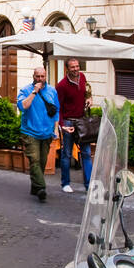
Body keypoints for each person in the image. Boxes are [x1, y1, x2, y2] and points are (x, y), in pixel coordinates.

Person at [17, 66, 59, 202]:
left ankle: (35, 187)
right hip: (30, 132)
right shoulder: (25, 90)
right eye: (37, 76)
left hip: (46, 133)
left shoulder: (52, 91)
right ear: (33, 76)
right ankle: (41, 188)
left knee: (41, 163)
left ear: (45, 76)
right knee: (34, 160)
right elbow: (23, 106)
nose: (40, 79)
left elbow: (56, 111)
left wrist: (56, 129)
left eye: (42, 76)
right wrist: (34, 92)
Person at [56, 57, 92, 193]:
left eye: (77, 66)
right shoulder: (61, 86)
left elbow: (87, 90)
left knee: (86, 153)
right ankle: (65, 183)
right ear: (67, 69)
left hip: (82, 121)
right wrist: (61, 125)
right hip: (68, 122)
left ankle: (88, 185)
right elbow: (57, 107)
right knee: (66, 154)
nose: (76, 69)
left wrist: (89, 98)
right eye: (73, 67)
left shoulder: (82, 77)